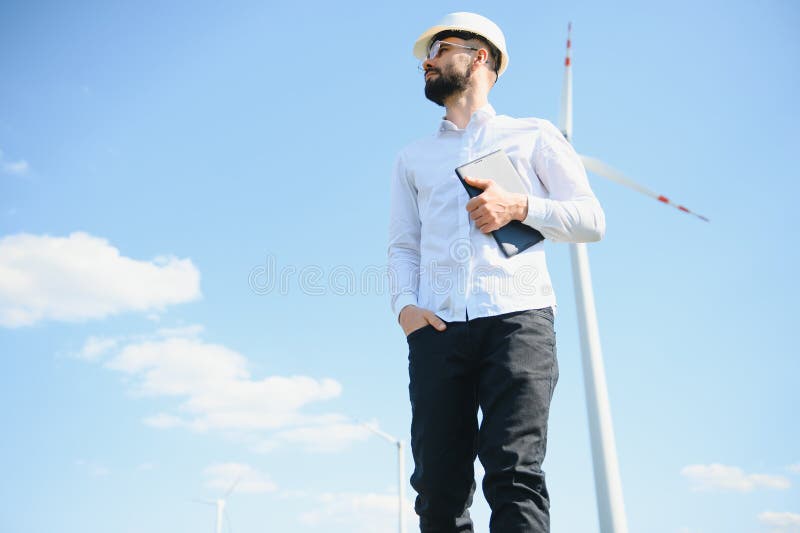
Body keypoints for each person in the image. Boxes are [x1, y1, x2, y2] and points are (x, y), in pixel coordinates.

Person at [387, 12, 606, 533]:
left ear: (478, 55)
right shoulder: (412, 158)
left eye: (439, 48)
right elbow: (403, 246)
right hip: (437, 329)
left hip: (519, 322)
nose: (426, 62)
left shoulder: (535, 135)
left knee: (514, 476)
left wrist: (519, 206)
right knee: (437, 490)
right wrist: (405, 310)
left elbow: (591, 220)